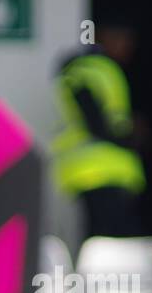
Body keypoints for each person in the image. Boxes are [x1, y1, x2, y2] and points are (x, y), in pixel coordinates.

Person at [52, 21, 146, 238]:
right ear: (103, 35)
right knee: (108, 245)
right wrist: (130, 138)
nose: (128, 45)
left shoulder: (103, 70)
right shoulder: (85, 71)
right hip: (96, 172)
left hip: (108, 173)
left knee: (110, 244)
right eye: (122, 37)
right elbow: (96, 123)